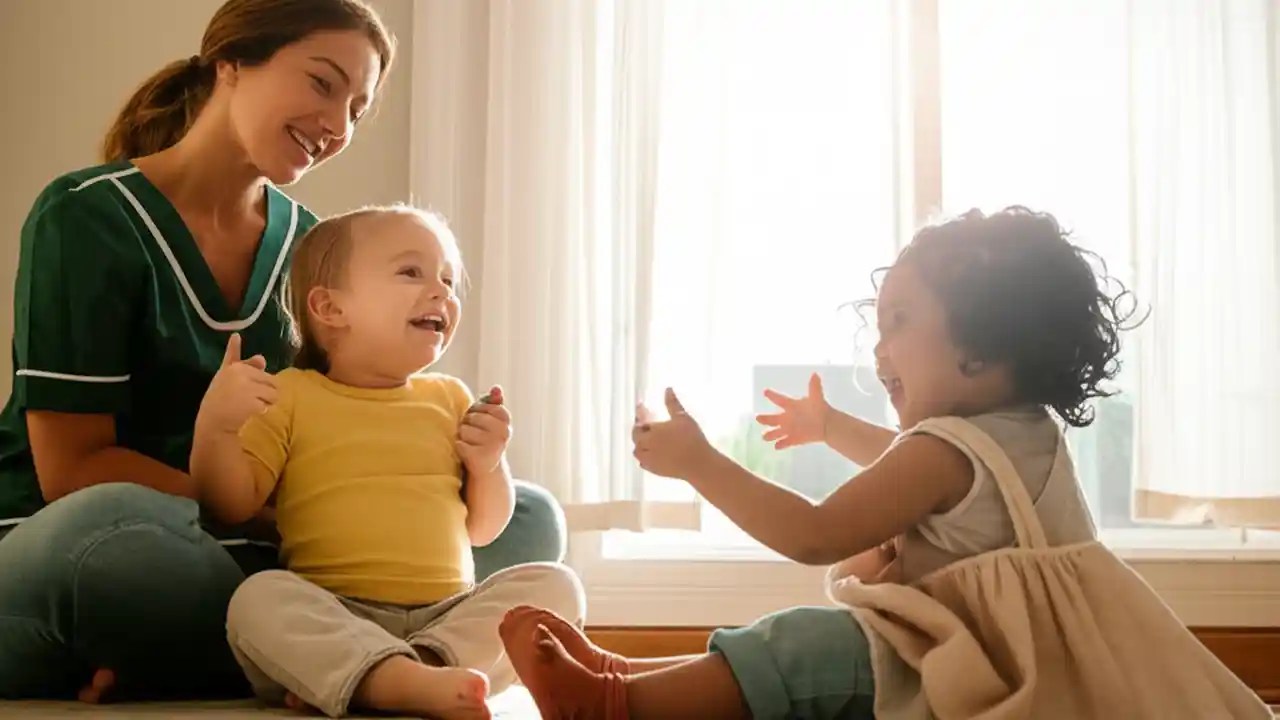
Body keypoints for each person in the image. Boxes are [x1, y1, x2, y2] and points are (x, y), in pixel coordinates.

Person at [0, 0, 567, 702]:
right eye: (322, 83)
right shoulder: (85, 216)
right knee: (118, 535)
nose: (337, 126)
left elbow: (329, 427)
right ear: (231, 63)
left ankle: (327, 661)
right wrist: (291, 514)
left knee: (531, 519)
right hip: (107, 535)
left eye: (358, 109)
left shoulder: (312, 250)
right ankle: (301, 655)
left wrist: (421, 481)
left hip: (264, 549)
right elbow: (72, 470)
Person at [497, 207, 1139, 719]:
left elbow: (814, 534)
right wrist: (830, 427)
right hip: (1006, 665)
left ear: (979, 345)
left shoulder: (948, 451)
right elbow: (910, 469)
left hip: (965, 675)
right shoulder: (1022, 435)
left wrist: (701, 464)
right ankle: (620, 674)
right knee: (804, 647)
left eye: (898, 322)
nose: (880, 349)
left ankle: (615, 704)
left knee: (807, 646)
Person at [195, 205, 583, 720]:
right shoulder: (292, 396)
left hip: (446, 618)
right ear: (331, 309)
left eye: (448, 278)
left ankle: (400, 673)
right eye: (411, 272)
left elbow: (484, 530)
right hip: (335, 612)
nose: (442, 292)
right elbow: (231, 504)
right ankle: (381, 673)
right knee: (257, 600)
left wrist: (489, 465)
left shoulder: (450, 398)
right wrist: (217, 427)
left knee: (557, 587)